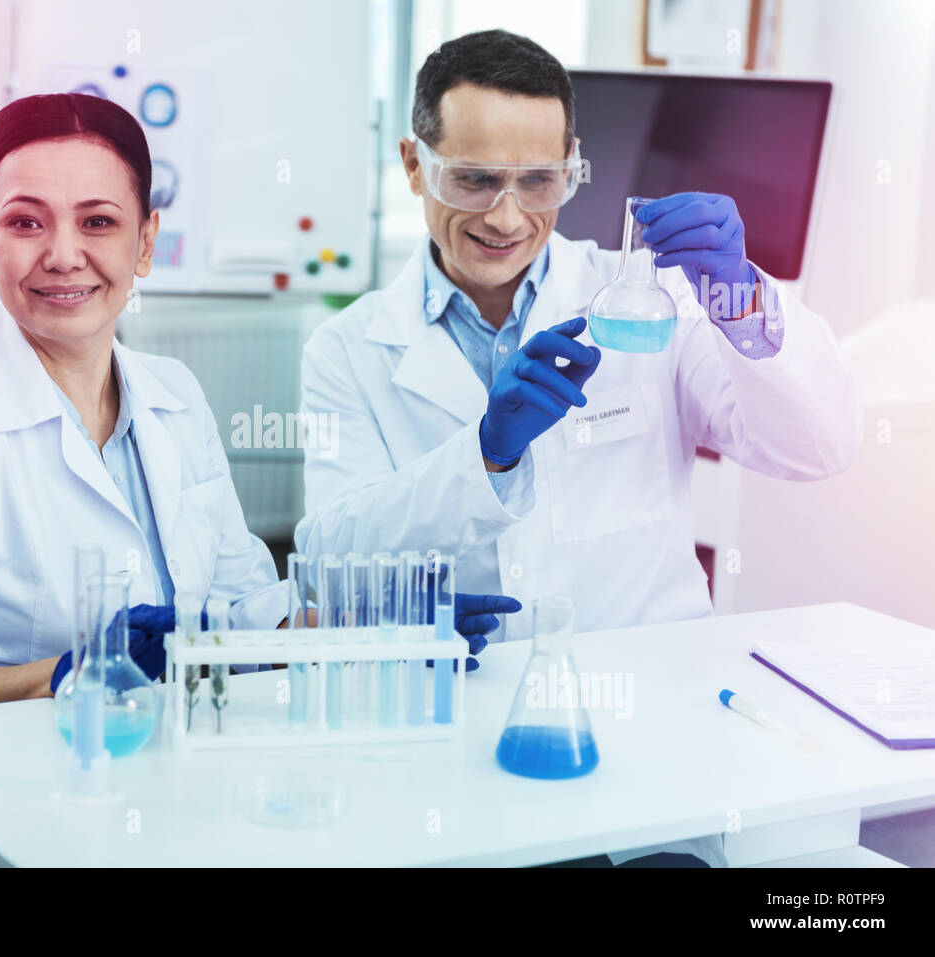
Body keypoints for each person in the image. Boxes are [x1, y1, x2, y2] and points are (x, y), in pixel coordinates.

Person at [294, 30, 862, 866]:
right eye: (474, 179)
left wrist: (743, 301)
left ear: (573, 166)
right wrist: (484, 456)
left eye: (540, 181)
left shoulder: (649, 303)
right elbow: (326, 559)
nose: (508, 215)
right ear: (415, 165)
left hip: (647, 730)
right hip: (453, 735)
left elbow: (816, 446)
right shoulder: (345, 350)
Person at [0, 93, 296, 866]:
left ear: (146, 242)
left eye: (100, 221)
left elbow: (240, 601)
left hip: (140, 784)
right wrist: (70, 675)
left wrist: (382, 628)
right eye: (25, 221)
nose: (64, 253)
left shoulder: (176, 393)